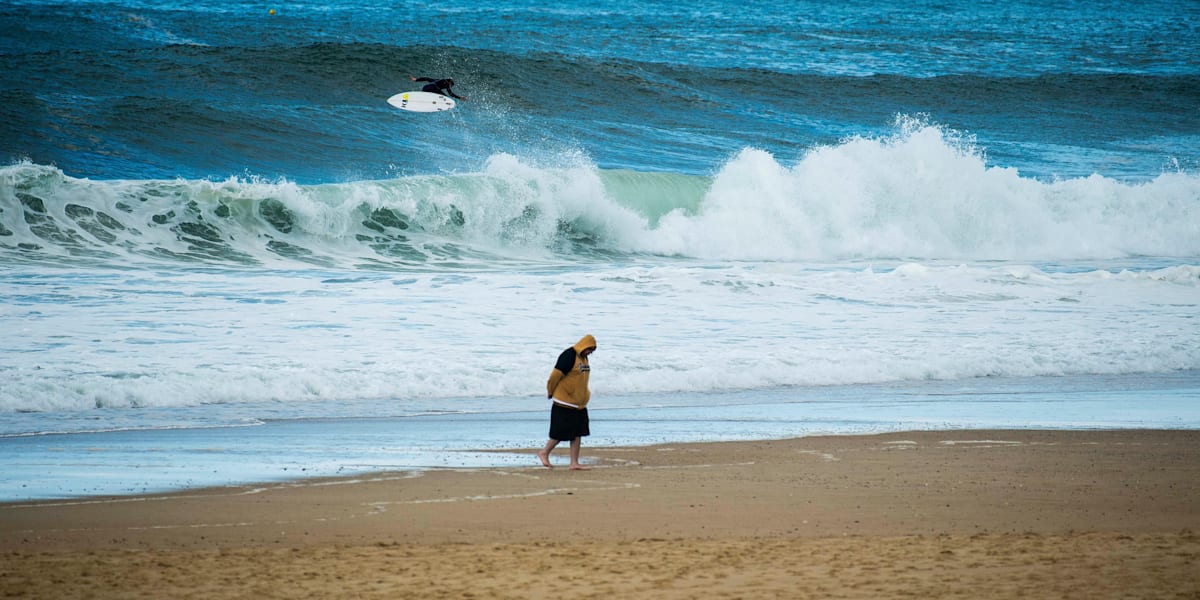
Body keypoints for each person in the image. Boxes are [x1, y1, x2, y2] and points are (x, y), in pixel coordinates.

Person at [537, 334, 596, 470]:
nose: (590, 353)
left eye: (592, 350)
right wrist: (550, 390)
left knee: (577, 433)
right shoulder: (569, 356)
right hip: (565, 401)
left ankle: (574, 463)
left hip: (579, 403)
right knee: (561, 432)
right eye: (590, 349)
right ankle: (544, 452)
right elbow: (555, 376)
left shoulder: (584, 358)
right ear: (584, 345)